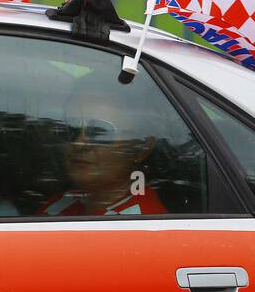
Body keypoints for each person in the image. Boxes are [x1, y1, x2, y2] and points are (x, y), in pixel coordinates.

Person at [37, 79, 167, 216]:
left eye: (99, 131)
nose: (79, 143)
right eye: (71, 127)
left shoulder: (141, 226)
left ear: (143, 148)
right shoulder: (59, 205)